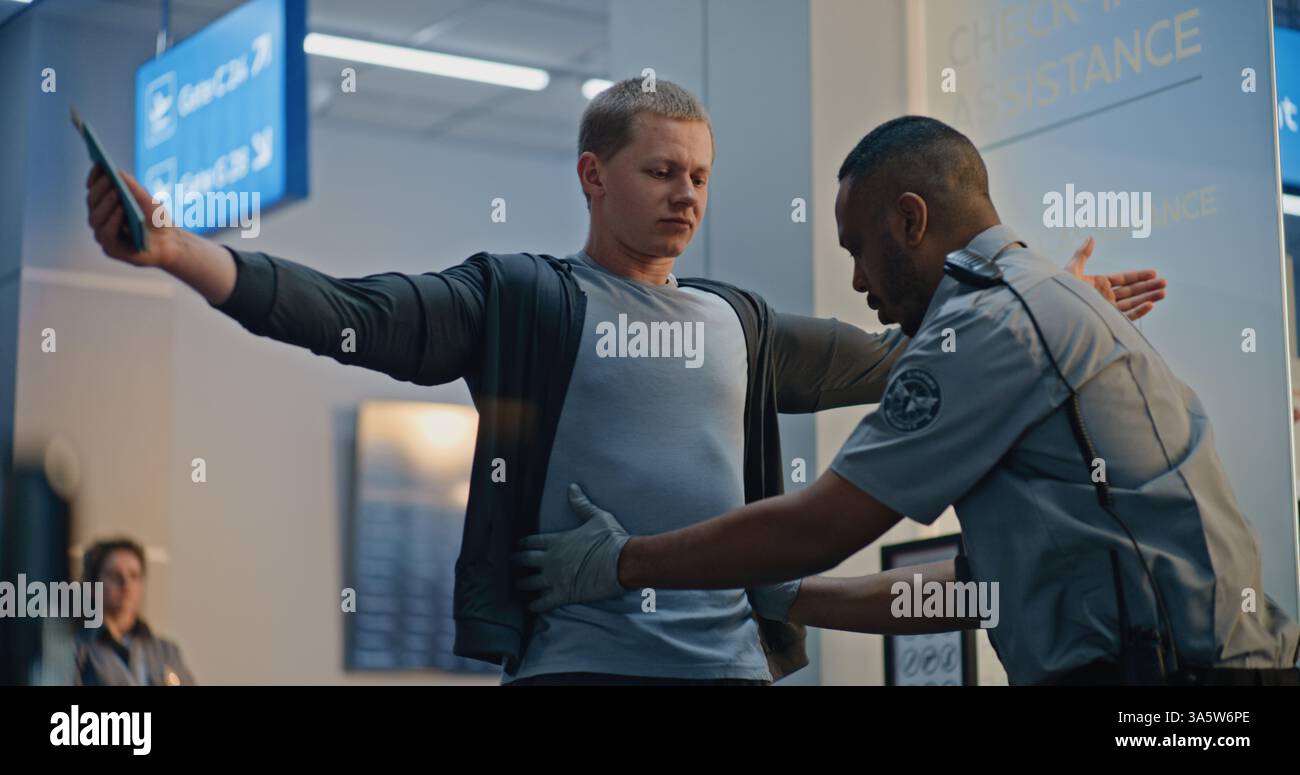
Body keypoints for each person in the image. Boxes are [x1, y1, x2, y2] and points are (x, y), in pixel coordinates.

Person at [84, 79, 1162, 685]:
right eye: (659, 172)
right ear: (595, 177)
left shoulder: (742, 324)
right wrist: (179, 252)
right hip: (580, 673)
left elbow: (918, 358)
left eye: (699, 175)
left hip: (734, 673)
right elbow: (351, 317)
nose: (685, 195)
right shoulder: (521, 301)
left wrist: (1037, 303)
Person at [513, 115, 1300, 686]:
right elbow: (971, 587)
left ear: (911, 219)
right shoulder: (1030, 304)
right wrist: (780, 593)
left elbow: (821, 524)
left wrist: (622, 562)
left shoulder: (986, 327)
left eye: (858, 249)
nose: (858, 283)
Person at [75, 538, 195, 686]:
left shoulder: (166, 652)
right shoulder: (78, 651)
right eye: (115, 575)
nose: (126, 584)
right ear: (93, 587)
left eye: (134, 576)